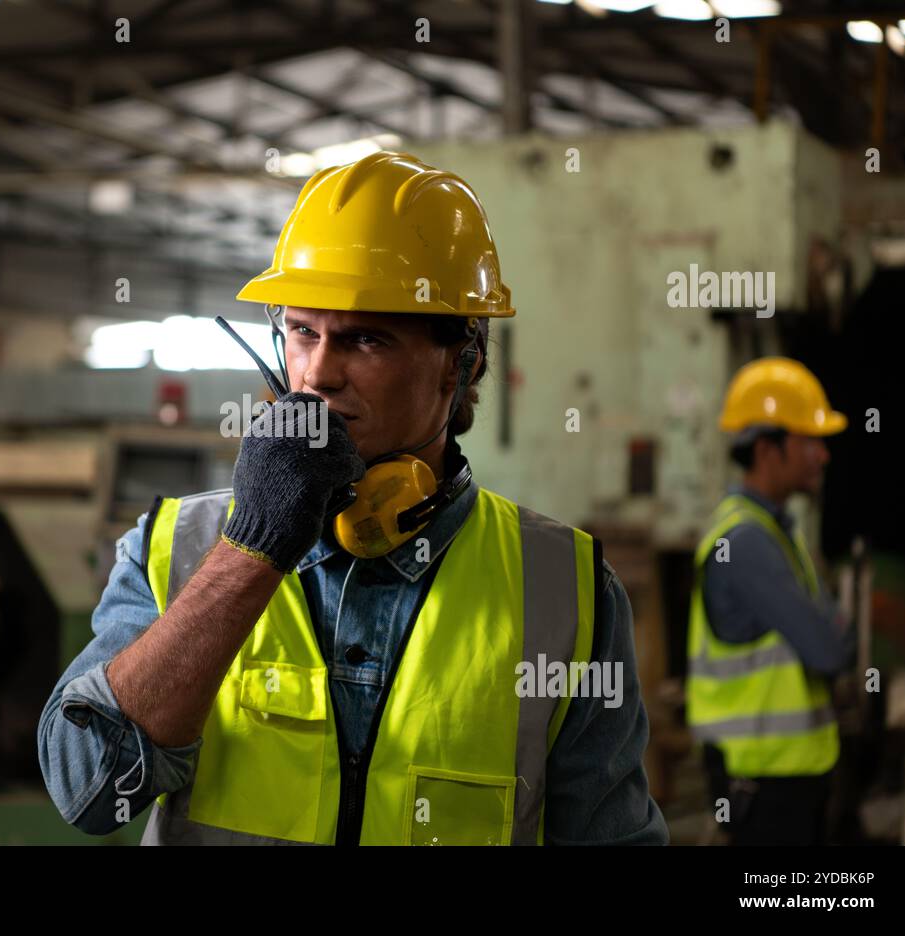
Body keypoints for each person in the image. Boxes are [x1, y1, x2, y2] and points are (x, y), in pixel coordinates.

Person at [38, 151, 667, 845]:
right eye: (302, 332)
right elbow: (87, 789)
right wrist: (253, 550)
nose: (317, 374)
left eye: (366, 339)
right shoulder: (177, 547)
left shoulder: (565, 592)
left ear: (464, 361)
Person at [687, 357, 855, 845]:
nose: (823, 456)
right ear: (767, 449)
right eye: (810, 441)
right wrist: (836, 627)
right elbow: (830, 649)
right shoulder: (745, 542)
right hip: (765, 787)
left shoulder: (776, 532)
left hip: (786, 780)